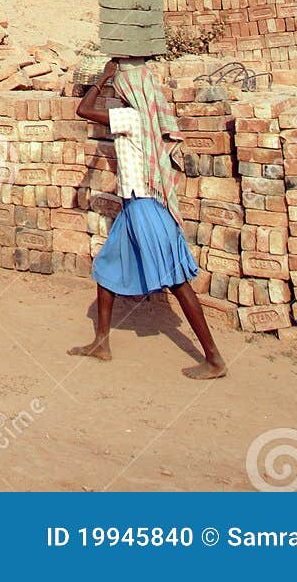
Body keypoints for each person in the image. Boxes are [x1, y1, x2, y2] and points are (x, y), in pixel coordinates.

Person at [69, 58, 227, 379]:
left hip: (145, 207)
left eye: (121, 86)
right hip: (134, 205)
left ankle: (213, 359)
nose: (117, 90)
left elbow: (83, 110)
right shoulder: (143, 116)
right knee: (106, 269)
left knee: (177, 281)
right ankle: (101, 341)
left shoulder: (130, 116)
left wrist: (102, 78)